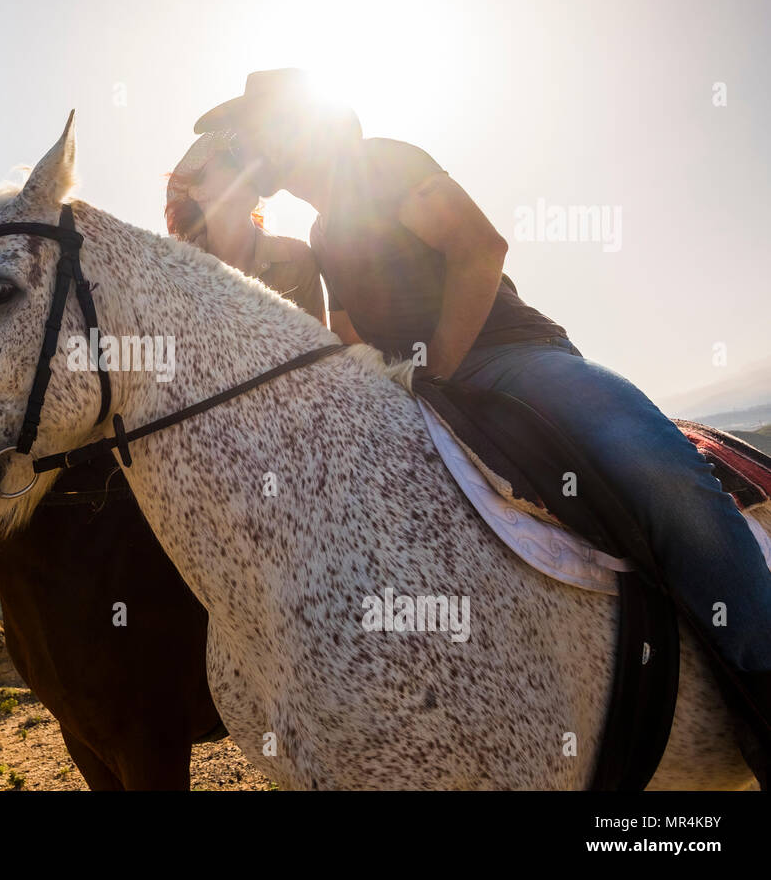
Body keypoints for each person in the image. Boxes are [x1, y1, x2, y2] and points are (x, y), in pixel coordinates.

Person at [194, 68, 771, 782]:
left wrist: (436, 366)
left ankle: (764, 678)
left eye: (259, 128)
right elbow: (347, 327)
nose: (250, 144)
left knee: (659, 473)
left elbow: (480, 249)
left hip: (509, 359)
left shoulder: (388, 162)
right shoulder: (321, 227)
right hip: (412, 388)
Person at [165, 131, 327, 326]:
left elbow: (322, 349)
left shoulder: (299, 258)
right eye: (230, 162)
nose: (247, 169)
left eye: (243, 161)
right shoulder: (177, 277)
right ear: (199, 192)